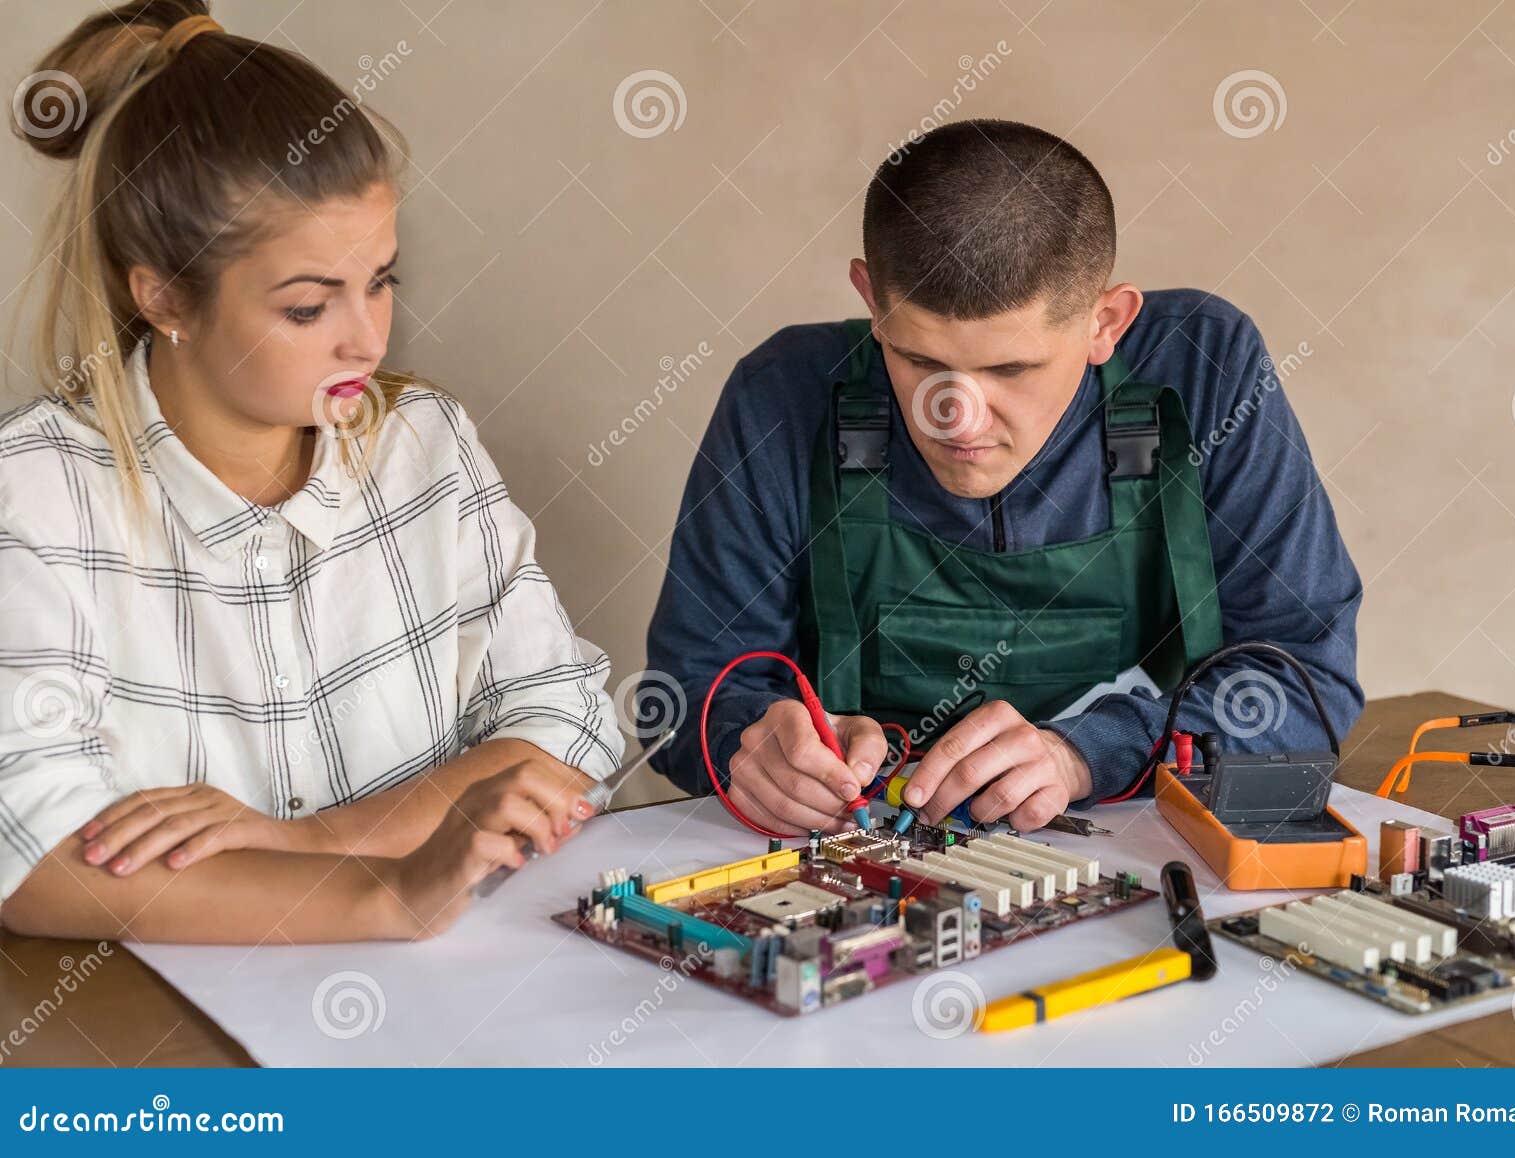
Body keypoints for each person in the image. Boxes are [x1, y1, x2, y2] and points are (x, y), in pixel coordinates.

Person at [0, 1, 620, 942]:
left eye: (381, 281)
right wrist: (383, 891)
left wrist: (301, 843)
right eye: (306, 308)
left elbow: (565, 723)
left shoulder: (426, 443)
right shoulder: (37, 492)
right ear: (164, 294)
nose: (368, 338)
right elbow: (30, 856)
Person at [644, 118, 1363, 836]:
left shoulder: (1201, 371)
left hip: (1143, 863)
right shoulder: (782, 393)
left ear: (1105, 324)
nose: (958, 419)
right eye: (920, 361)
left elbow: (1310, 679)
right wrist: (747, 741)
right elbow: (683, 695)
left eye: (1011, 369)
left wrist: (1088, 752)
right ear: (871, 297)